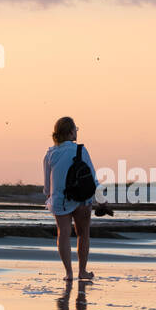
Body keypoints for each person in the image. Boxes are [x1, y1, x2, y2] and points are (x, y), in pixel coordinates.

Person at [43, 117, 111, 281]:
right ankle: (82, 271)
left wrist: (49, 195)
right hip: (81, 199)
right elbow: (93, 178)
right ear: (71, 132)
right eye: (76, 129)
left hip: (60, 200)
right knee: (83, 234)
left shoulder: (50, 154)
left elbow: (47, 185)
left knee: (63, 234)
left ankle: (69, 273)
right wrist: (102, 200)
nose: (76, 132)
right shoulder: (80, 150)